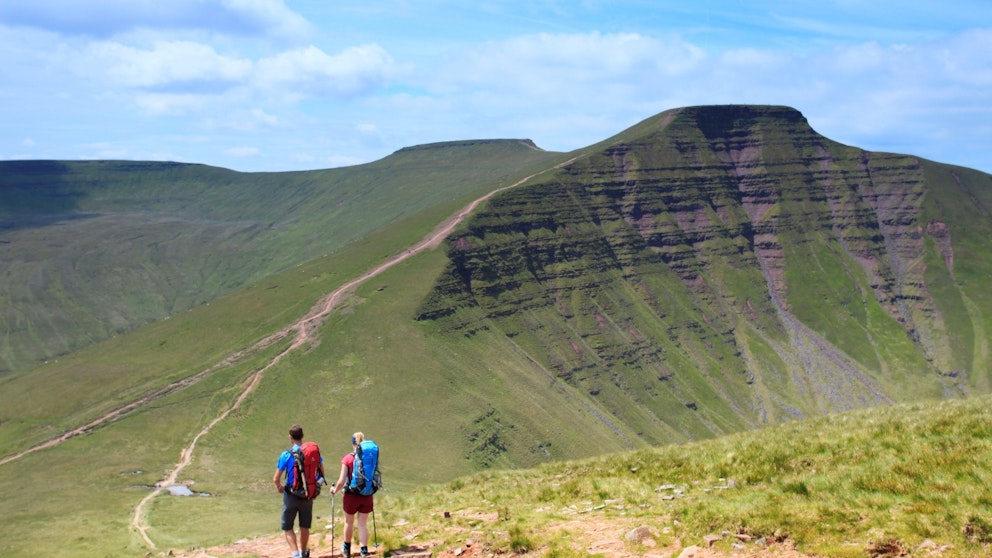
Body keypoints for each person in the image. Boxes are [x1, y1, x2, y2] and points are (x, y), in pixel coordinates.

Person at [273, 424, 320, 558]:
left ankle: (295, 554)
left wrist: (279, 487)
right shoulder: (312, 451)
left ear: (290, 437)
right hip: (307, 494)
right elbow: (320, 471)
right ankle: (304, 552)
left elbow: (276, 478)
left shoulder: (286, 455)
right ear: (302, 436)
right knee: (305, 525)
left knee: (288, 527)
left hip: (291, 495)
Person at [329, 432, 374, 558]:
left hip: (351, 496)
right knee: (363, 524)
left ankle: (346, 549)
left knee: (349, 522)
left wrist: (334, 490)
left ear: (353, 443)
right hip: (367, 494)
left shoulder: (348, 459)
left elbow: (342, 481)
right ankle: (364, 551)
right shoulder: (369, 457)